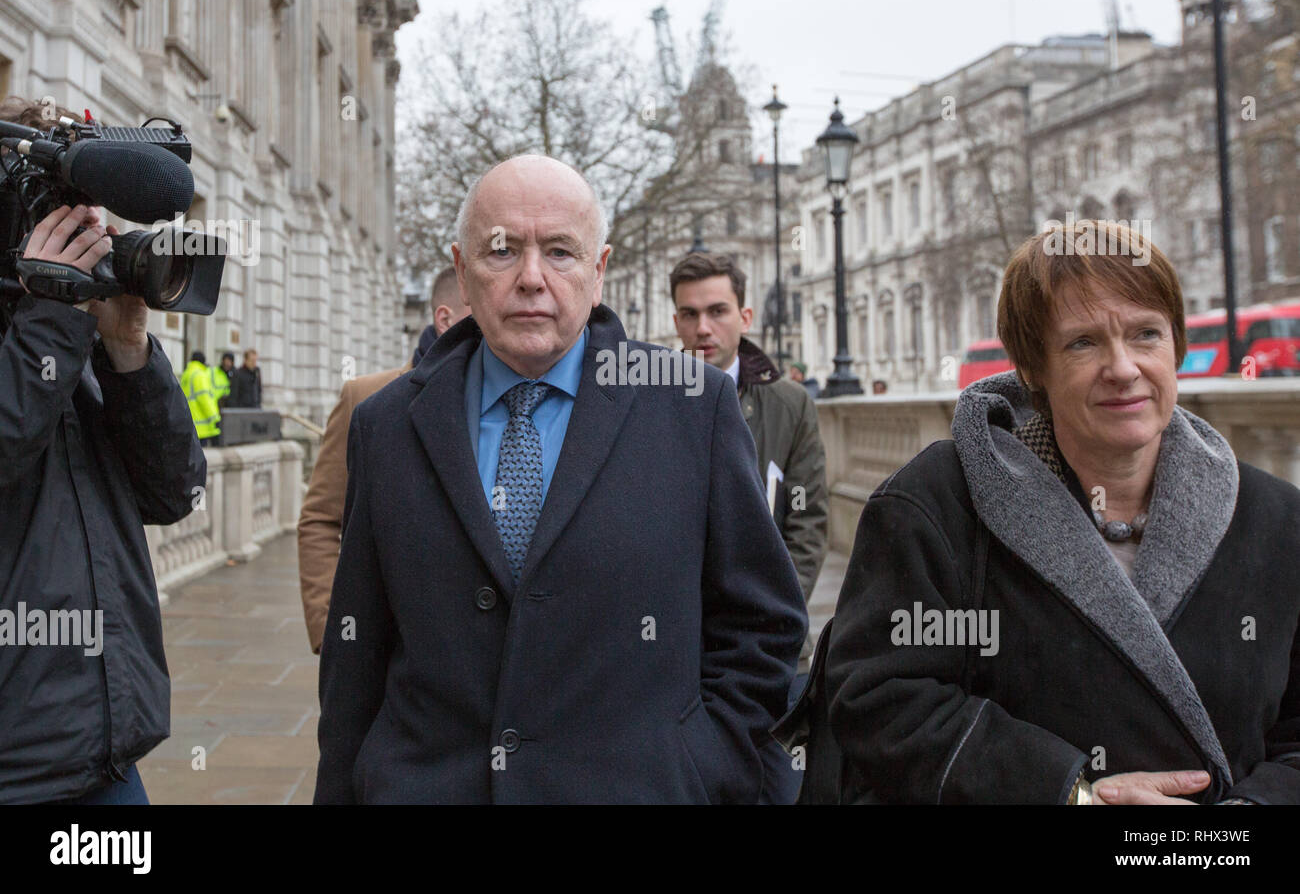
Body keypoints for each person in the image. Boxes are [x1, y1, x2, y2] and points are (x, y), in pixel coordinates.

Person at [315, 155, 804, 804]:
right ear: (462, 270)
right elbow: (356, 661)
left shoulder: (693, 405)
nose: (531, 278)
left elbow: (762, 625)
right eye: (502, 250)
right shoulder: (387, 424)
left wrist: (700, 763)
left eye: (560, 252)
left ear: (598, 272)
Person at [822, 222, 1300, 804]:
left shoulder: (1276, 518)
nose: (1123, 368)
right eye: (1083, 342)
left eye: (1146, 334)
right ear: (1033, 369)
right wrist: (1069, 795)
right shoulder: (936, 504)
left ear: (1176, 345)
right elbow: (876, 699)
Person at [0, 195, 206, 803]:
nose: (93, 243)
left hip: (105, 752)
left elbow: (177, 492)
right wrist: (52, 316)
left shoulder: (77, 345)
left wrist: (128, 349)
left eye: (92, 224)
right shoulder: (52, 332)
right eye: (66, 224)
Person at [671, 250, 828, 804]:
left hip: (773, 650)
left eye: (717, 310)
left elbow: (808, 524)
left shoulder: (789, 404)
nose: (703, 328)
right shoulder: (648, 400)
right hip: (678, 650)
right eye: (688, 315)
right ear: (674, 322)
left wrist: (771, 611)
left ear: (746, 315)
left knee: (782, 789)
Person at [297, 265, 470, 654]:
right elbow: (321, 519)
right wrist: (331, 630)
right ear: (446, 318)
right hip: (385, 658)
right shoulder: (366, 397)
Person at [180, 350, 221, 446]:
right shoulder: (199, 375)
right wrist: (215, 418)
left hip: (189, 422)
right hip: (201, 426)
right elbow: (204, 399)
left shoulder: (186, 374)